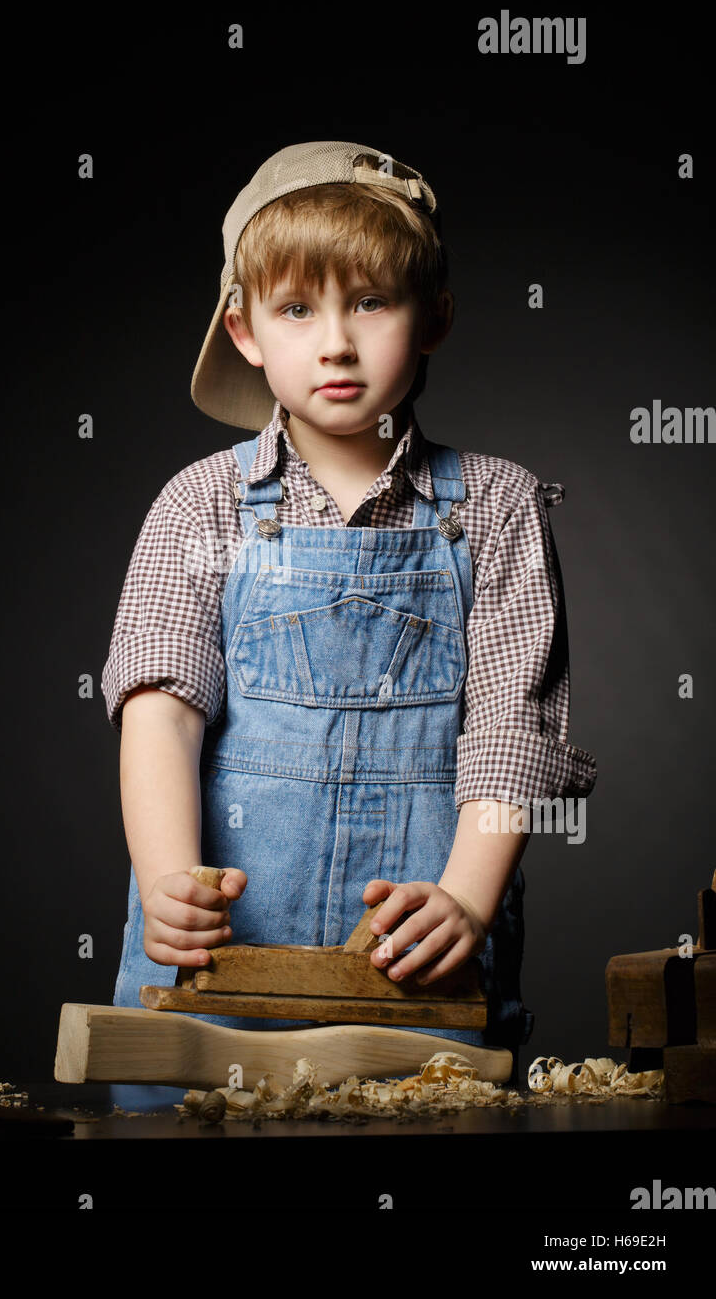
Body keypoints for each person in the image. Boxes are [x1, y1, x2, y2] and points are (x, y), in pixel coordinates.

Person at [100, 140, 597, 1108]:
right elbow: (159, 709)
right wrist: (167, 879)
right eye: (296, 308)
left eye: (370, 302)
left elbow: (511, 733)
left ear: (433, 318)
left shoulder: (495, 507)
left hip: (419, 1000)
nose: (334, 341)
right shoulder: (199, 506)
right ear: (244, 331)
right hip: (213, 997)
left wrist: (464, 899)